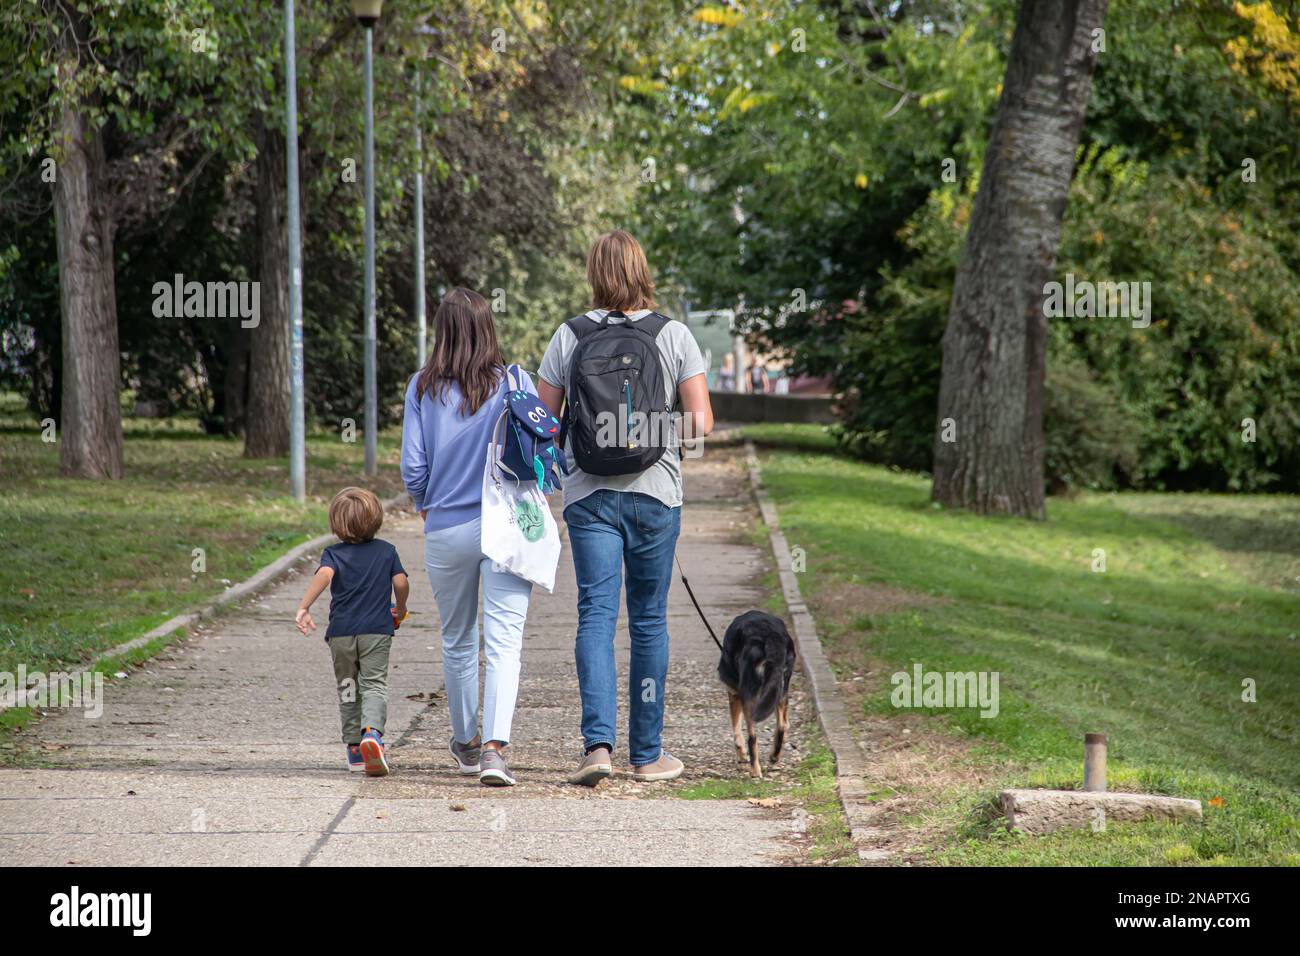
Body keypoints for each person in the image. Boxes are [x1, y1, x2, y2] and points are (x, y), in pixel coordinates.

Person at [537, 230, 714, 786]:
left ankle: (597, 749)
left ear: (595, 273)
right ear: (643, 270)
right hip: (656, 494)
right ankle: (647, 754)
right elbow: (701, 425)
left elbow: (543, 422)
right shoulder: (675, 335)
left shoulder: (570, 335)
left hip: (589, 496)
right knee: (649, 621)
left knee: (595, 616)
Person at [401, 287, 541, 787]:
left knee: (458, 638)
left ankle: (464, 741)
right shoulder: (515, 382)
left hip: (447, 527)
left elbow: (414, 467)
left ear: (442, 331)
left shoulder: (421, 388)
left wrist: (425, 502)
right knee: (504, 641)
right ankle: (495, 751)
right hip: (505, 523)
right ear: (488, 328)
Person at [295, 487, 409, 777]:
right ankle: (372, 733)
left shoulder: (332, 554)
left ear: (337, 523)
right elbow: (400, 582)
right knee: (373, 684)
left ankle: (355, 748)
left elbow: (324, 575)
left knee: (348, 686)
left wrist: (304, 606)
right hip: (376, 631)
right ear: (376, 520)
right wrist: (401, 607)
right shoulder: (387, 552)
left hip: (341, 634)